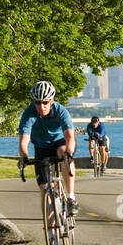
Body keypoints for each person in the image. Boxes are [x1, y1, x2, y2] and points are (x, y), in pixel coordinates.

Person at [17, 82, 78, 232]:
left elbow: (70, 137)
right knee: (45, 190)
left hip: (59, 142)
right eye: (37, 102)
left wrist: (68, 154)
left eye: (45, 102)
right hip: (41, 148)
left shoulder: (61, 111)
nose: (41, 106)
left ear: (52, 100)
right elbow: (24, 140)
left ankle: (70, 198)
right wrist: (24, 156)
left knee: (63, 153)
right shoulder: (29, 113)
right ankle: (51, 234)